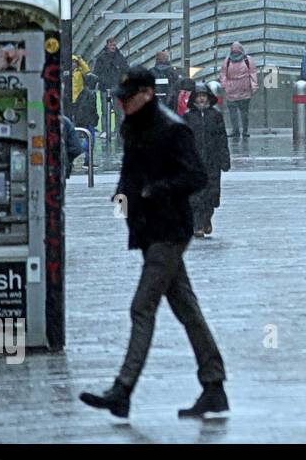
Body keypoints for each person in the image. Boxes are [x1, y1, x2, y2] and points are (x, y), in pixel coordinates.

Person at [79, 67, 228, 420]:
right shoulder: (134, 127)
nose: (119, 103)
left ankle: (123, 389)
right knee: (186, 308)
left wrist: (157, 191)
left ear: (145, 94)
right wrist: (123, 198)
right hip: (148, 231)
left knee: (141, 307)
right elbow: (131, 171)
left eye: (126, 97)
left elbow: (196, 176)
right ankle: (214, 385)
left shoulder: (171, 128)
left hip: (168, 231)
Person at [184, 83, 231, 238]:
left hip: (212, 161)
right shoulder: (188, 117)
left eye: (204, 95)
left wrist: (225, 159)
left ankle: (206, 220)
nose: (202, 99)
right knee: (196, 196)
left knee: (212, 194)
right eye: (199, 96)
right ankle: (197, 224)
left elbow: (222, 138)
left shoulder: (216, 116)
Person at [220, 42, 258, 139]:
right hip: (235, 90)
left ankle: (243, 130)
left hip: (241, 90)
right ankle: (237, 130)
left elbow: (252, 73)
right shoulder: (228, 61)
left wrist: (254, 86)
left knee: (243, 113)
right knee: (236, 113)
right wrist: (224, 85)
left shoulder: (247, 60)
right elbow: (223, 74)